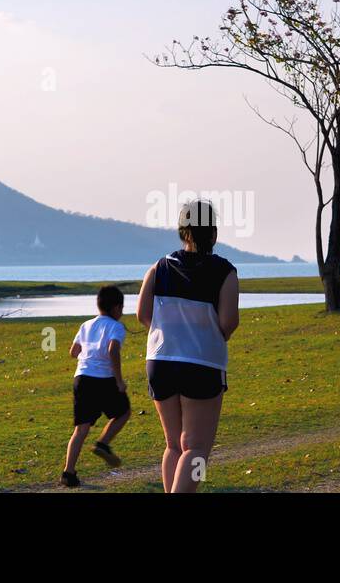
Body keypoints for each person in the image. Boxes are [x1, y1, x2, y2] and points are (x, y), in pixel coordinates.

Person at [136, 200, 240, 493]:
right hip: (202, 364)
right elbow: (229, 322)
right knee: (195, 449)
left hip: (161, 362)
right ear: (214, 234)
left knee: (173, 445)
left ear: (182, 233)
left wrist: (170, 332)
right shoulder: (225, 272)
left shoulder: (159, 268)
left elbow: (143, 314)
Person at [61, 285, 131, 488]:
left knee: (80, 429)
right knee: (123, 413)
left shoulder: (86, 325)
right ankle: (103, 443)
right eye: (122, 308)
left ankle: (68, 473)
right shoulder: (115, 327)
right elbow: (113, 350)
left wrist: (88, 352)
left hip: (82, 379)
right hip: (104, 379)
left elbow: (73, 352)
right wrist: (119, 380)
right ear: (116, 308)